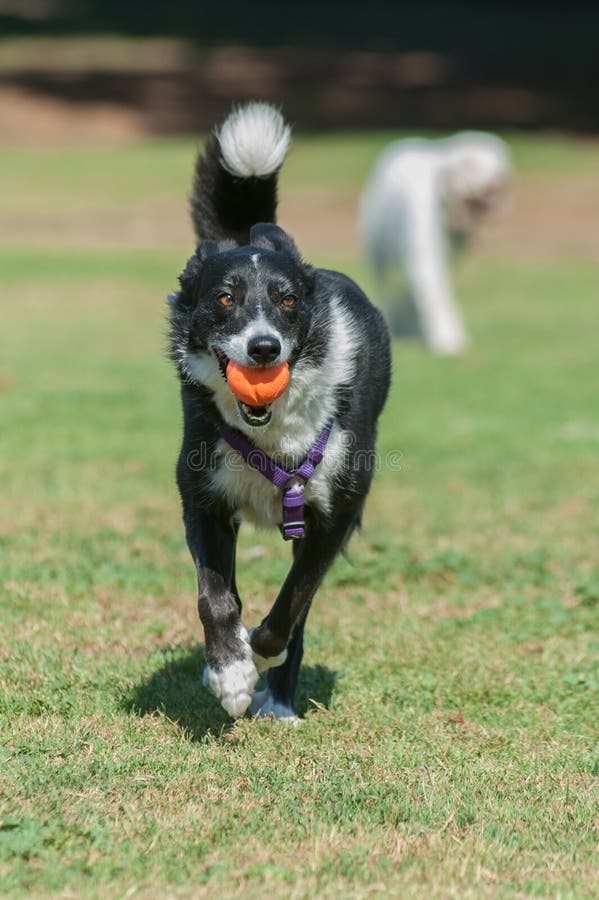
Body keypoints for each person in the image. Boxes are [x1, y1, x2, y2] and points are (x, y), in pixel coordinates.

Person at [359, 132, 512, 355]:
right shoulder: (418, 191)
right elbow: (423, 264)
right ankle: (419, 329)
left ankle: (411, 326)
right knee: (399, 274)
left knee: (436, 267)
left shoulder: (472, 177)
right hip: (389, 179)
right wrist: (451, 340)